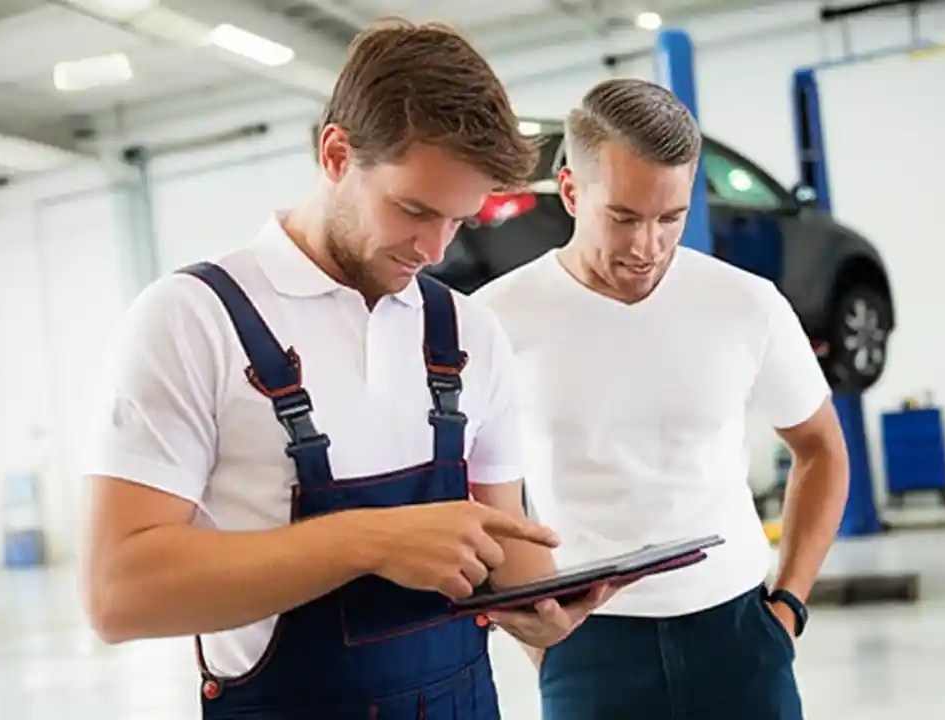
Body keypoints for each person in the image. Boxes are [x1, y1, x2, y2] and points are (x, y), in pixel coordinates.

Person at [80, 20, 614, 720]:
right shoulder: (193, 319)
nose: (433, 248)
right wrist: (369, 540)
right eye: (413, 209)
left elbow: (500, 541)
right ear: (337, 154)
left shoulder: (470, 333)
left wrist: (543, 608)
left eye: (459, 221)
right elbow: (119, 593)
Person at [471, 78, 852, 720]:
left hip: (739, 635)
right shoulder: (495, 321)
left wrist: (787, 606)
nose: (647, 247)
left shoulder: (745, 305)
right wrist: (541, 641)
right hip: (589, 647)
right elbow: (476, 498)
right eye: (622, 217)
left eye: (670, 219)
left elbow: (820, 448)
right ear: (571, 192)